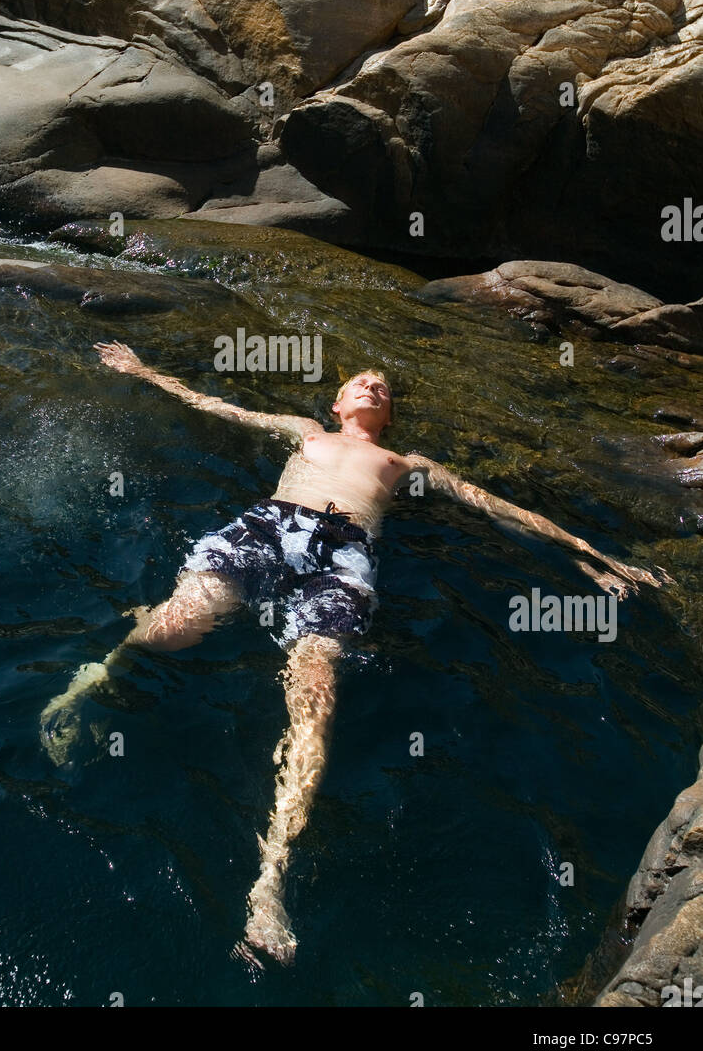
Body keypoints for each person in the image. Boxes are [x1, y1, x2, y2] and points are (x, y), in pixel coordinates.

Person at [40, 342, 668, 965]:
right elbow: (216, 405)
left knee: (314, 691)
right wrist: (142, 370)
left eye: (383, 388)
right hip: (270, 526)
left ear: (388, 416)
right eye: (362, 382)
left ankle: (270, 878)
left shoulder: (405, 461)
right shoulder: (303, 430)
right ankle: (87, 685)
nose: (373, 388)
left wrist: (595, 558)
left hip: (344, 554)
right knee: (173, 629)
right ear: (337, 402)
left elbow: (502, 509)